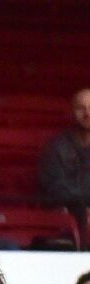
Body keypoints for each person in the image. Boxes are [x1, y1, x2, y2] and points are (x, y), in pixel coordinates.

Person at [38, 90, 90, 233]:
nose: (87, 114)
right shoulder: (56, 147)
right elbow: (53, 186)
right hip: (67, 214)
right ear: (72, 112)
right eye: (81, 108)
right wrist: (82, 207)